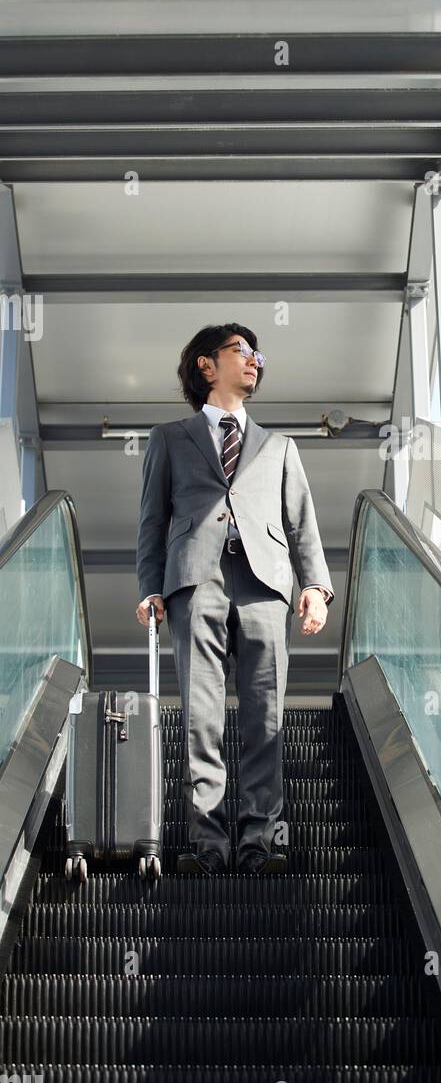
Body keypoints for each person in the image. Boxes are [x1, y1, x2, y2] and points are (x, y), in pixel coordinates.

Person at [135, 323, 334, 875]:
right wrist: (151, 588)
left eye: (257, 353)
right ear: (206, 365)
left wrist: (315, 587)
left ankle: (262, 840)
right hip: (195, 581)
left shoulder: (280, 447)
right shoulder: (170, 439)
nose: (254, 360)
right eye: (241, 351)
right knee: (201, 714)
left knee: (264, 713)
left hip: (266, 586)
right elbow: (151, 523)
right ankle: (208, 841)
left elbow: (302, 525)